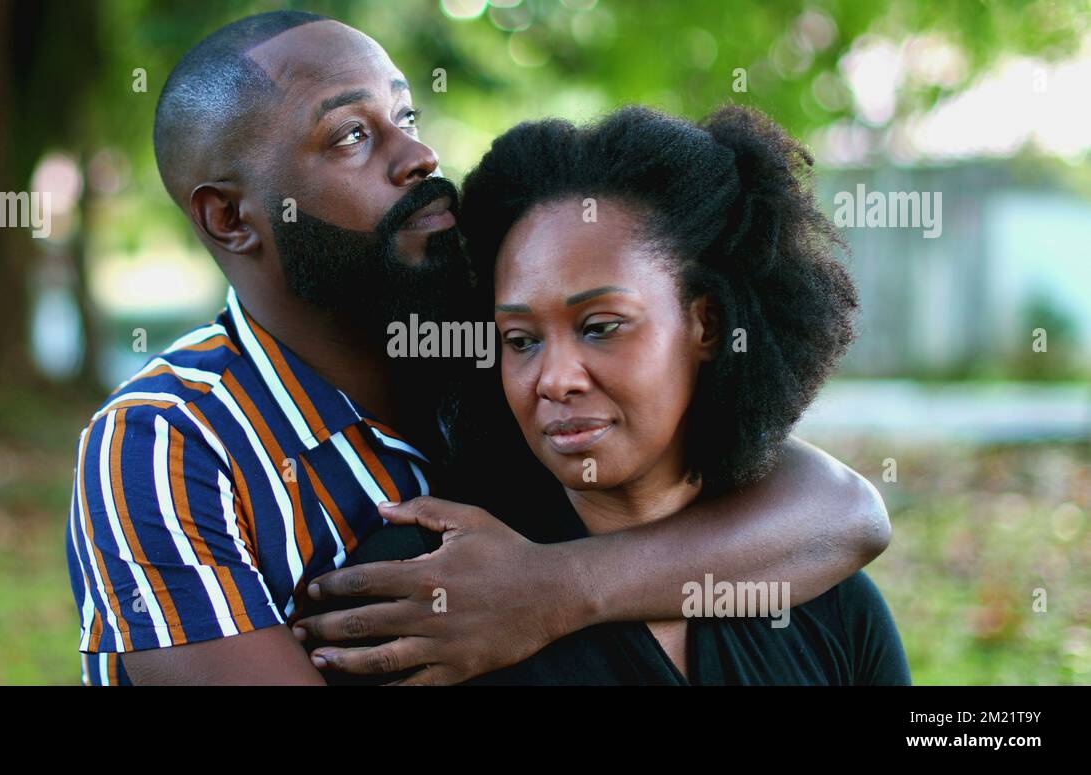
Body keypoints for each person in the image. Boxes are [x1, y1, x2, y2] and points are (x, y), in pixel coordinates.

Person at [64, 11, 891, 686]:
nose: (418, 157)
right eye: (352, 135)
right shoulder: (169, 441)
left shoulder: (489, 352)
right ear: (231, 218)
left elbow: (843, 511)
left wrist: (552, 591)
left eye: (407, 116)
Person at [309, 105, 910, 685]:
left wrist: (552, 590)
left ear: (706, 324)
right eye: (520, 339)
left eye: (600, 327)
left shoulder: (824, 601)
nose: (555, 378)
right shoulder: (424, 596)